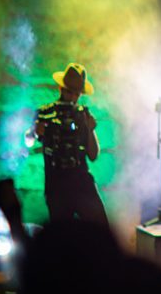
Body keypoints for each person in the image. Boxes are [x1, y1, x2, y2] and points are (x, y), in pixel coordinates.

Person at [33, 63, 109, 225]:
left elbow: (93, 155)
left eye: (77, 94)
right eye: (69, 92)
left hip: (81, 180)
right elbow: (28, 140)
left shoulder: (83, 114)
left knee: (100, 229)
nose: (73, 97)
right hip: (56, 182)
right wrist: (35, 132)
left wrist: (90, 130)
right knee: (61, 238)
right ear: (61, 88)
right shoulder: (45, 112)